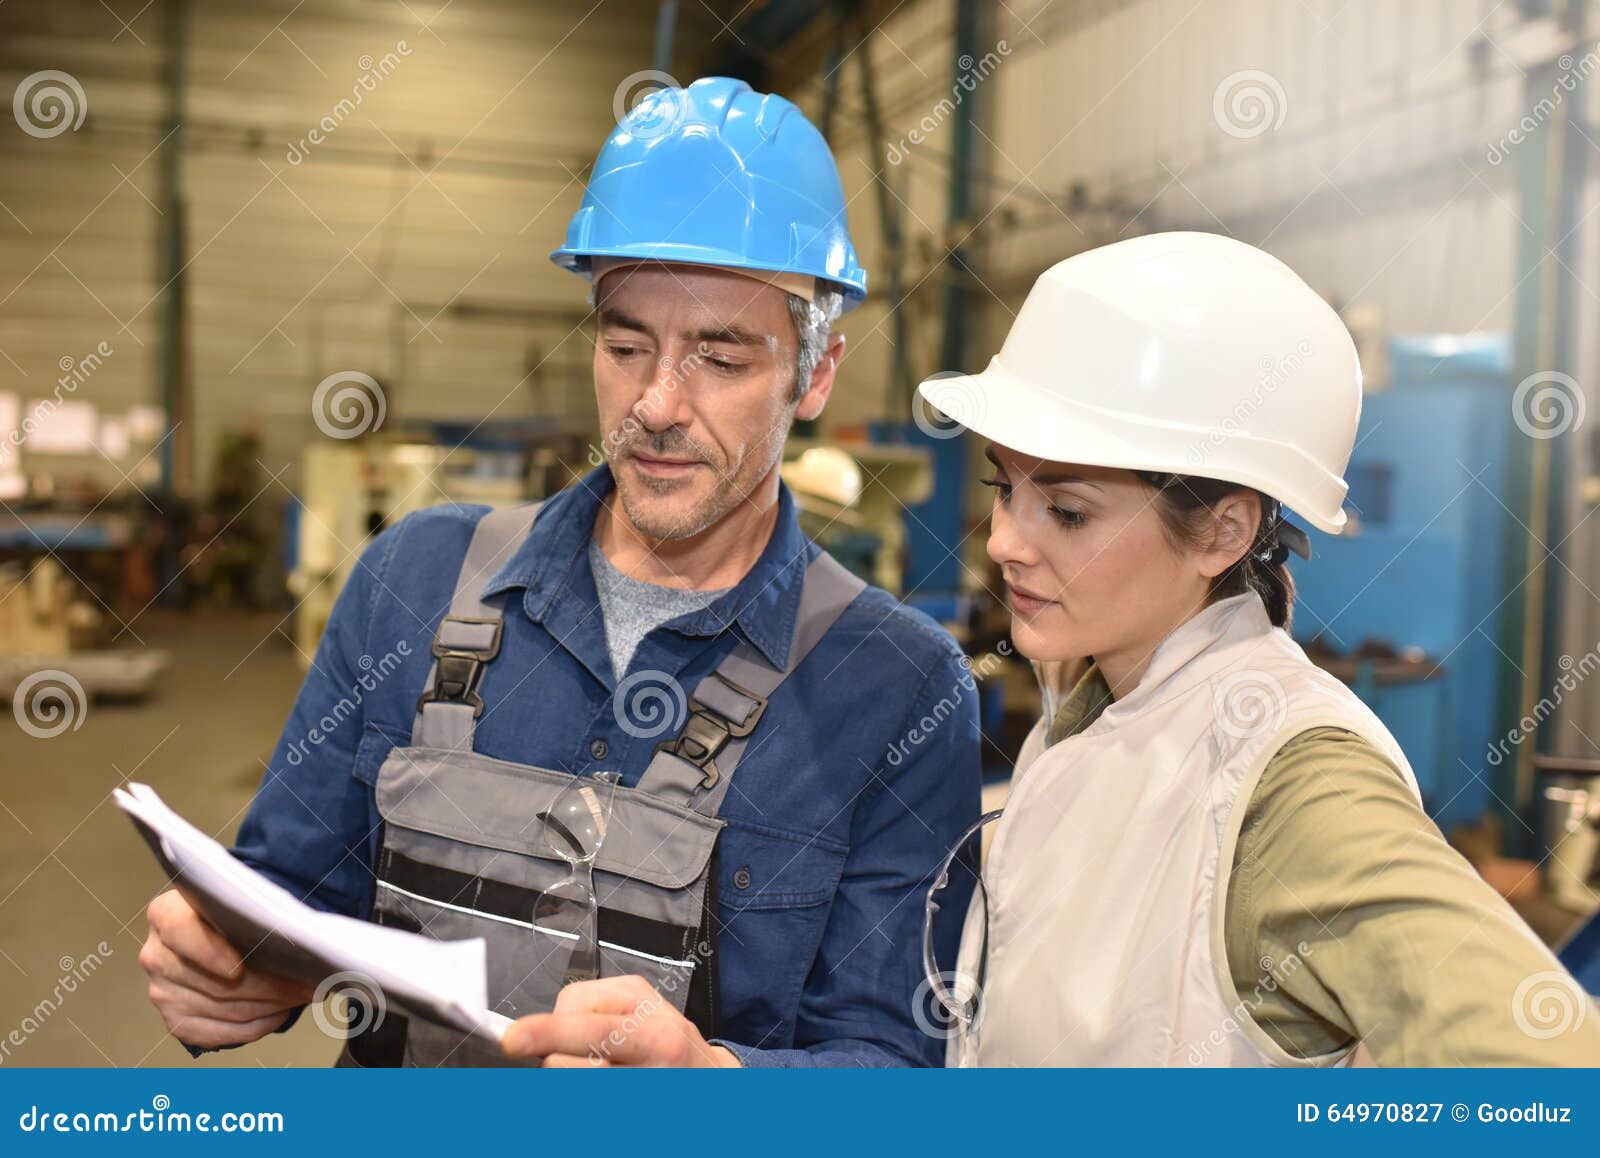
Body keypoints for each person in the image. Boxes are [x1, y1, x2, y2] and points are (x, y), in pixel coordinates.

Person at [139, 77, 980, 1068]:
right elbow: (285, 900)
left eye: (720, 360)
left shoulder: (897, 688)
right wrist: (219, 964)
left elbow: (891, 1065)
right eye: (625, 345)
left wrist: (711, 1081)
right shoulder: (415, 579)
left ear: (816, 372)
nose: (656, 404)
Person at [917, 231, 1600, 1066]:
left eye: (1067, 512)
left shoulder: (1288, 783)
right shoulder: (1093, 704)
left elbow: (1552, 1075)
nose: (1003, 543)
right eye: (1004, 488)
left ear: (1223, 531)